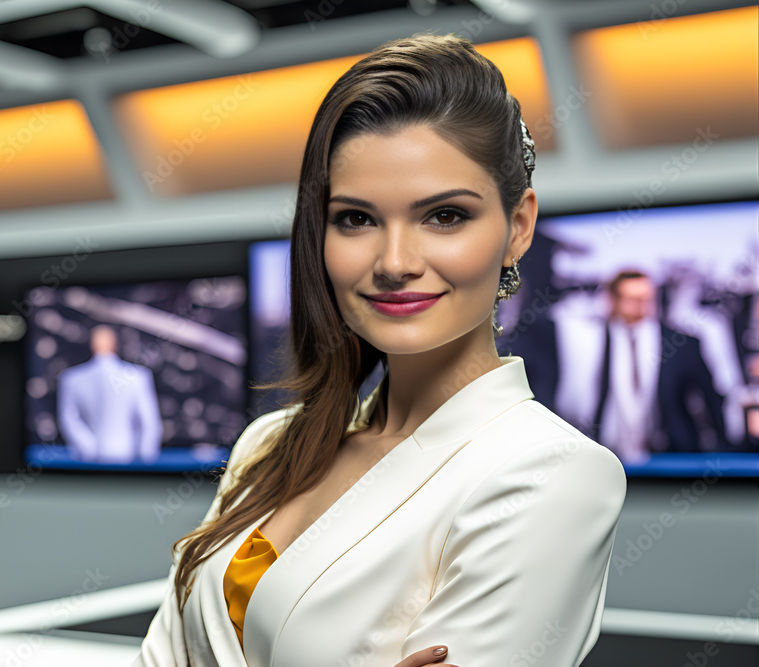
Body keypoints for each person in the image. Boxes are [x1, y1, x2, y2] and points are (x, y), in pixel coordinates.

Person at [133, 34, 626, 667]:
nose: (394, 263)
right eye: (356, 219)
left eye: (445, 216)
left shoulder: (549, 473)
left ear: (518, 228)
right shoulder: (271, 444)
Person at [589, 271, 730, 461]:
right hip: (604, 454)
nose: (641, 306)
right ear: (613, 299)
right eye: (632, 299)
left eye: (646, 298)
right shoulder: (592, 342)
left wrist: (724, 448)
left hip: (672, 456)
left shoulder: (682, 344)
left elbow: (710, 397)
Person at [57, 324, 163, 464]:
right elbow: (150, 423)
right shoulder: (137, 376)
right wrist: (146, 460)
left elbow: (68, 420)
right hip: (127, 459)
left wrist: (87, 449)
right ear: (115, 344)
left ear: (92, 344)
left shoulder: (71, 378)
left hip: (88, 462)